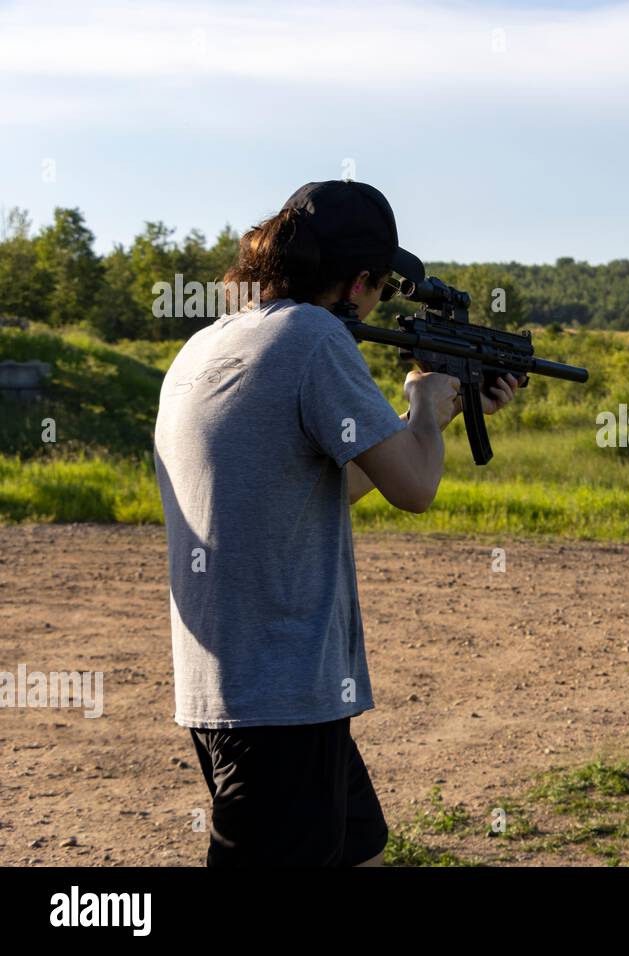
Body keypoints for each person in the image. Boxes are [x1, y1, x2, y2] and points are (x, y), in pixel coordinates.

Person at [153, 180, 518, 866]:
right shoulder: (314, 337)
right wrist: (421, 407)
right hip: (283, 699)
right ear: (355, 285)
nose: (379, 301)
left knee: (361, 853)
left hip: (238, 691)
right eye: (379, 285)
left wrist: (430, 419)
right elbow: (414, 486)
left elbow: (314, 484)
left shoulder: (211, 344)